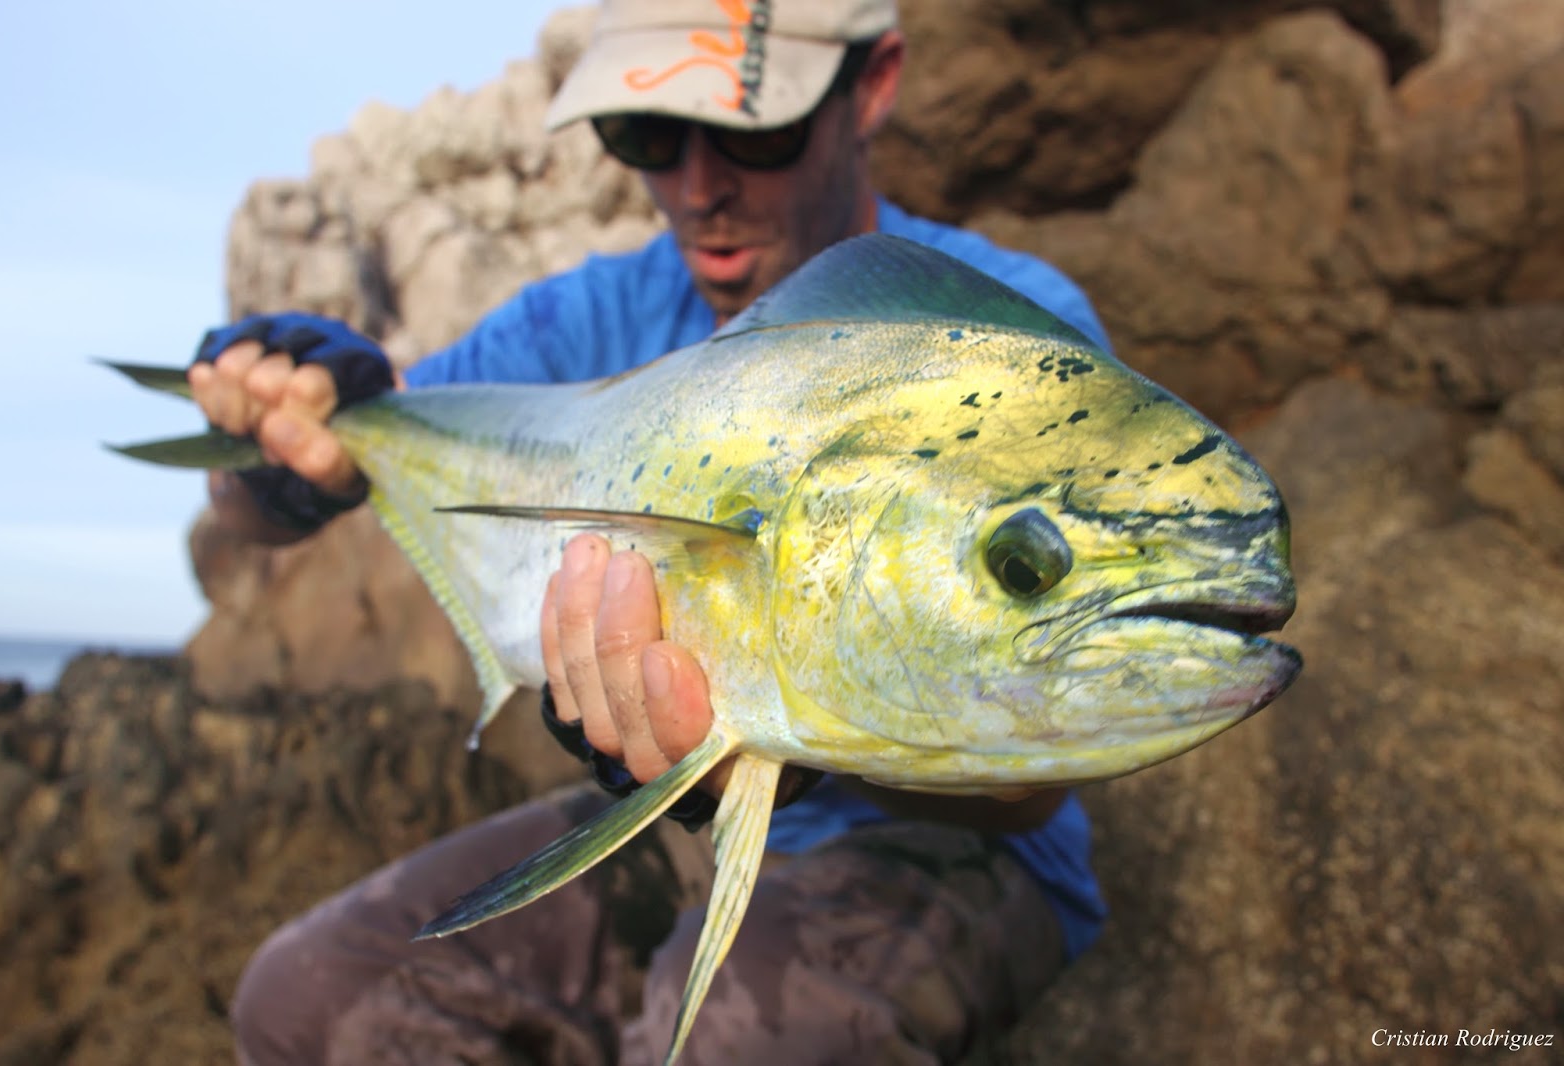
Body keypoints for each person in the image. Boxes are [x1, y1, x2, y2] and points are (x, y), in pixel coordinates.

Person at [191, 1, 1114, 1062]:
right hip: (684, 835)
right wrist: (287, 441)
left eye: (752, 133)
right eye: (647, 135)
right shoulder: (584, 323)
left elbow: (1033, 774)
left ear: (872, 86)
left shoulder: (1009, 340)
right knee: (301, 996)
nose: (696, 185)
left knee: (730, 1034)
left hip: (941, 850)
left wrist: (808, 741)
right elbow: (344, 455)